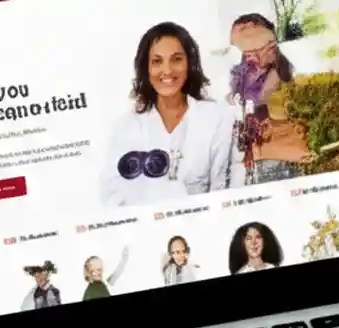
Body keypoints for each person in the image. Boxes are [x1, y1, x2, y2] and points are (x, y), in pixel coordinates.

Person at [100, 22, 235, 206]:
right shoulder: (126, 127)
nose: (167, 70)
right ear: (146, 68)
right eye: (157, 61)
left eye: (176, 59)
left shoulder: (217, 118)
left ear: (189, 63)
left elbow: (223, 190)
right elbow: (113, 195)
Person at [228, 14, 311, 184]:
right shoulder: (245, 73)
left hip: (279, 156)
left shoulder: (277, 73)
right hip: (259, 154)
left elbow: (259, 100)